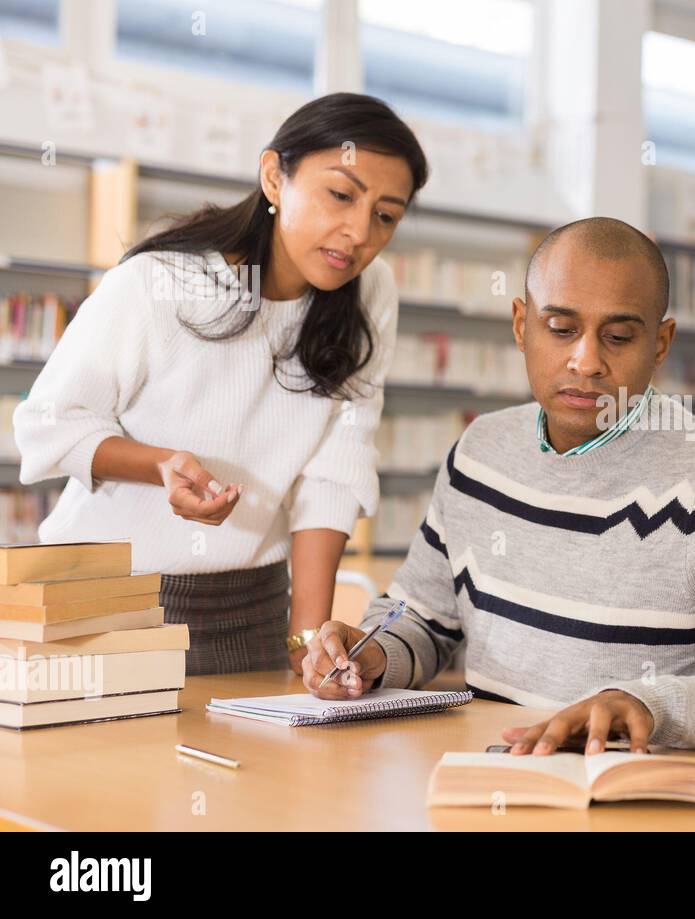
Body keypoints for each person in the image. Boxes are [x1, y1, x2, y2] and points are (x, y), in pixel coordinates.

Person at [301, 217, 695, 759]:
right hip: (490, 787)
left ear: (661, 344)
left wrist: (649, 706)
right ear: (521, 325)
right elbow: (420, 618)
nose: (586, 361)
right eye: (561, 328)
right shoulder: (480, 452)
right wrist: (370, 654)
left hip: (639, 806)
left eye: (618, 336)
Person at [13, 93, 428, 675]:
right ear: (274, 178)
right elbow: (50, 423)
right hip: (104, 603)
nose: (359, 232)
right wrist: (160, 465)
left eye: (385, 215)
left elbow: (334, 468)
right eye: (340, 194)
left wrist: (305, 643)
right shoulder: (162, 280)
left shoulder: (371, 291)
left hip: (250, 608)